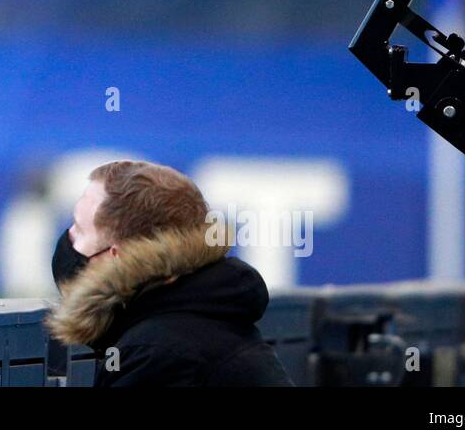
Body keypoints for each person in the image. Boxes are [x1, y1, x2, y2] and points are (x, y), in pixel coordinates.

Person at [47, 160, 293, 386]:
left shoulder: (156, 356)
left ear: (116, 256)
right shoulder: (203, 324)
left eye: (79, 229)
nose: (68, 238)